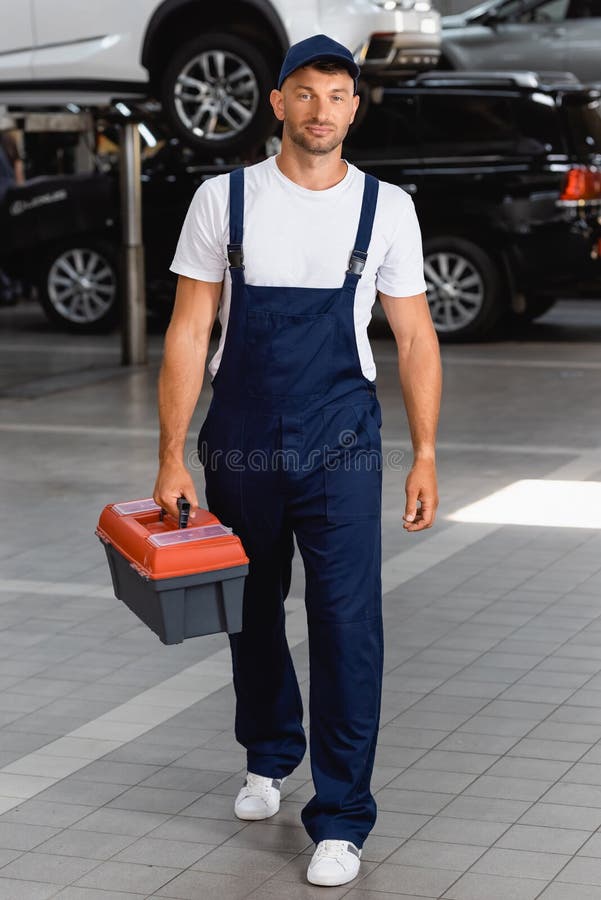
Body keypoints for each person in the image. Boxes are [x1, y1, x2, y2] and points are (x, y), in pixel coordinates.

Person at [154, 34, 442, 888]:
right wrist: (168, 455)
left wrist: (424, 451)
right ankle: (268, 755)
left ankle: (343, 816)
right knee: (249, 609)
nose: (323, 111)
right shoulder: (223, 200)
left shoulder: (385, 207)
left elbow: (415, 334)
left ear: (357, 107)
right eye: (306, 94)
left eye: (339, 95)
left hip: (343, 442)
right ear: (276, 101)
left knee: (348, 624)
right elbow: (188, 329)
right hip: (240, 432)